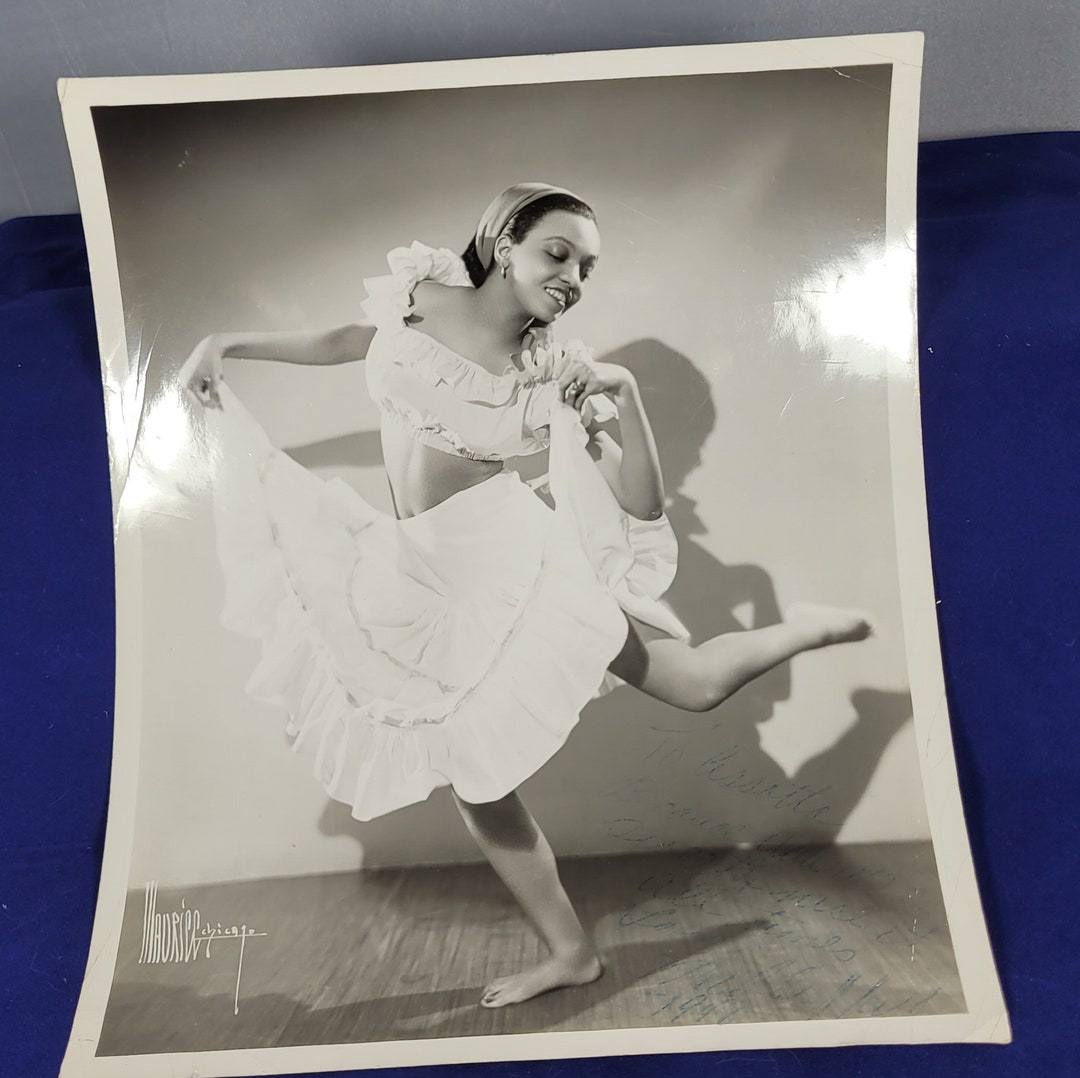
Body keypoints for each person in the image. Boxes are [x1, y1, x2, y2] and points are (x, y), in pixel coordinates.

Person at [182, 182, 871, 1007]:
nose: (572, 277)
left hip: (507, 565)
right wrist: (227, 343)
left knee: (690, 685)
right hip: (419, 568)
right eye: (558, 253)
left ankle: (808, 632)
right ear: (506, 243)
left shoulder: (552, 370)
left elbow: (641, 501)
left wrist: (626, 392)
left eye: (587, 267)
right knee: (477, 781)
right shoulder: (421, 296)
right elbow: (347, 341)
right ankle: (572, 954)